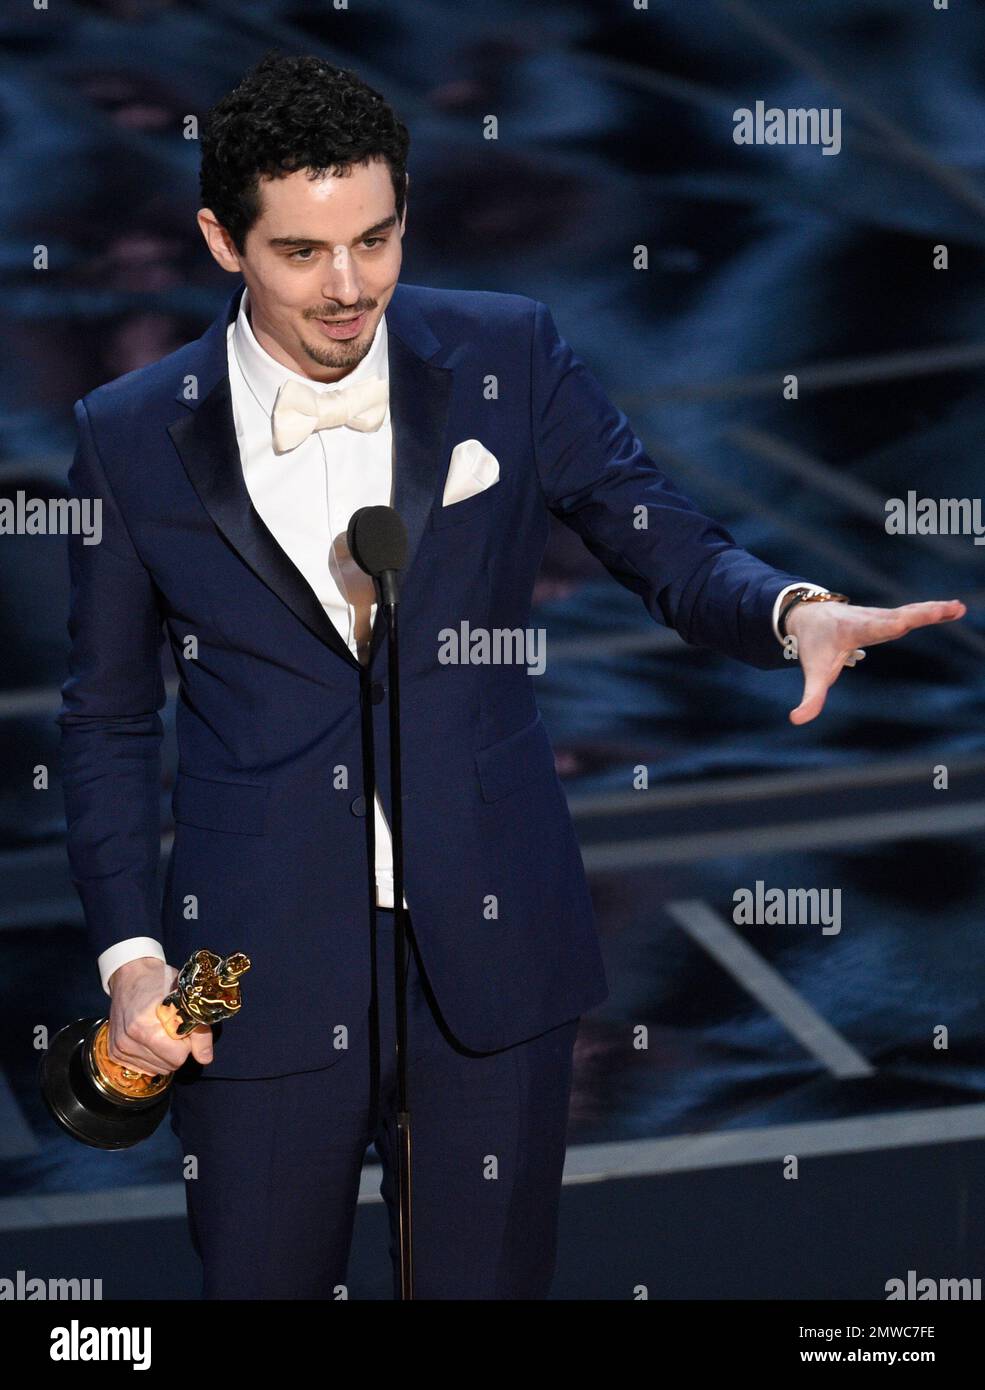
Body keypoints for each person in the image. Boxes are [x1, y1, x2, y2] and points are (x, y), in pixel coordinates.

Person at [56, 53, 966, 1300]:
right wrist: (131, 959)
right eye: (302, 252)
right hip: (252, 967)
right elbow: (104, 718)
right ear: (222, 238)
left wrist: (789, 609)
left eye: (375, 240)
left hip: (490, 963)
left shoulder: (507, 351)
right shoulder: (127, 431)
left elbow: (655, 532)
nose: (347, 287)